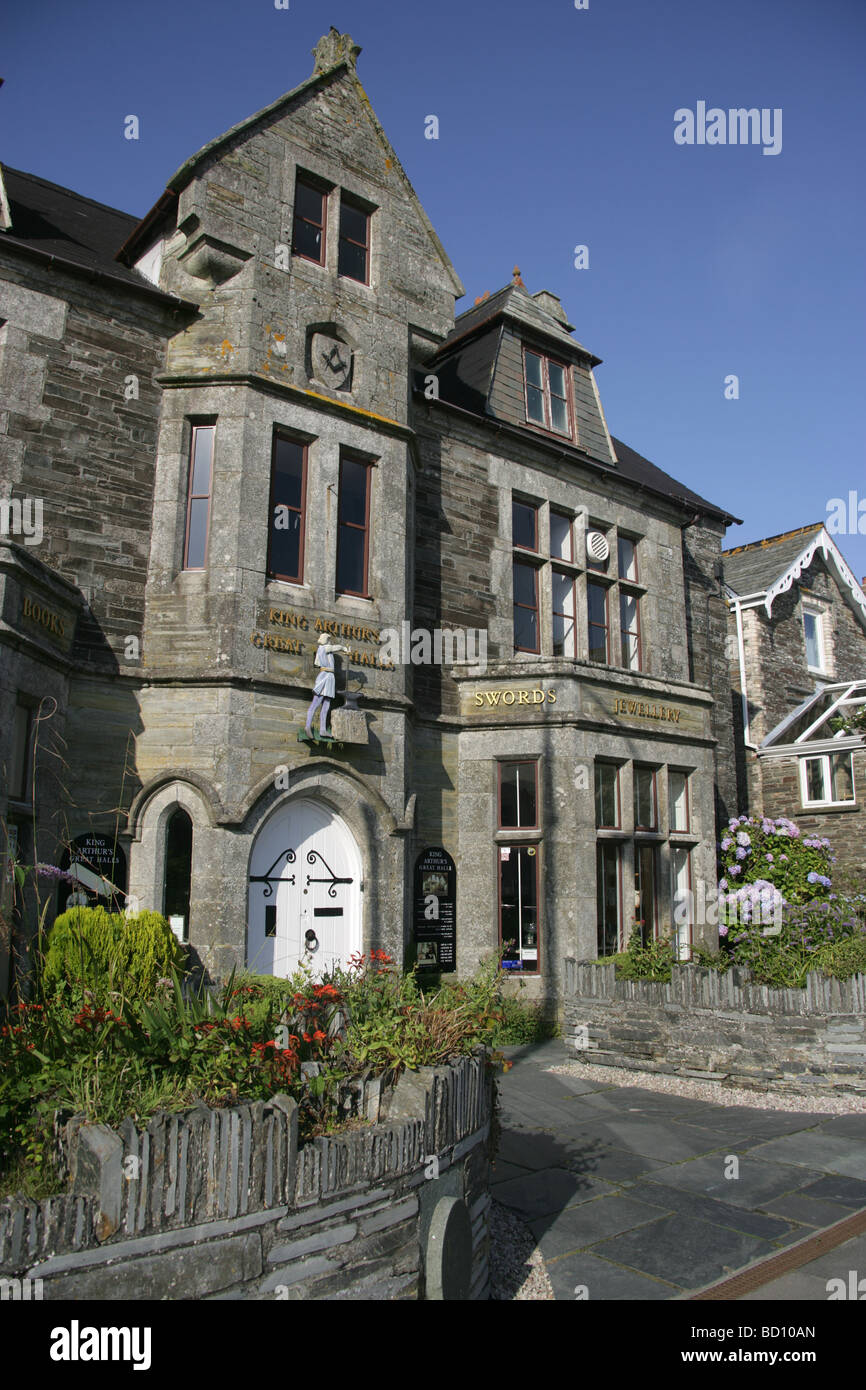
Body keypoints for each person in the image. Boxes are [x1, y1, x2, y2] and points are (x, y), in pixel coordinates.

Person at [304, 634, 349, 738]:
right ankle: (307, 726)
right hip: (324, 676)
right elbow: (334, 647)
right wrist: (343, 648)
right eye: (328, 639)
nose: (329, 641)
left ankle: (323, 730)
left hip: (330, 677)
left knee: (327, 704)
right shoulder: (323, 648)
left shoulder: (327, 650)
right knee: (316, 702)